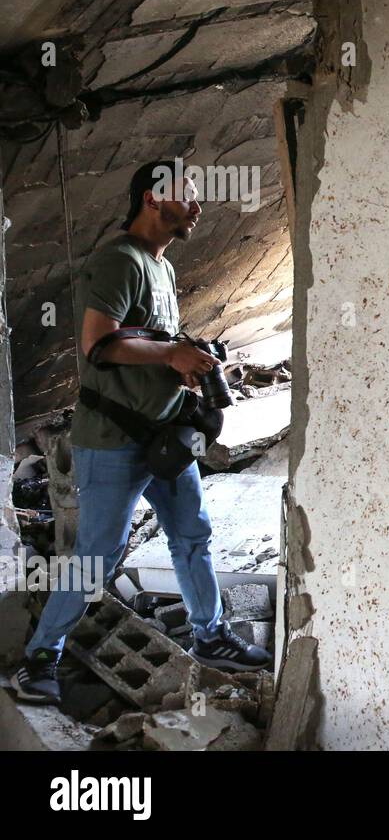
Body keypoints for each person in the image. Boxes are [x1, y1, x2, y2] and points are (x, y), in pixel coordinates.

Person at [11, 160, 271, 705]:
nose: (197, 207)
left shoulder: (162, 266)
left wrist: (187, 357)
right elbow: (98, 346)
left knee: (192, 535)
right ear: (153, 199)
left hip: (164, 433)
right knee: (97, 557)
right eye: (187, 196)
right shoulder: (119, 262)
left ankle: (209, 636)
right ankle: (39, 660)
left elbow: (150, 338)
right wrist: (171, 352)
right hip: (111, 440)